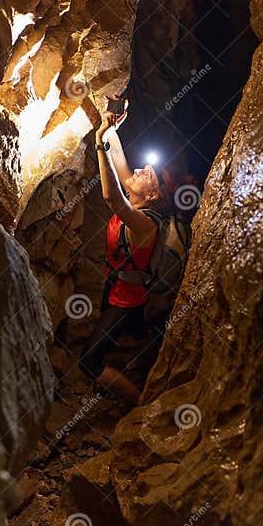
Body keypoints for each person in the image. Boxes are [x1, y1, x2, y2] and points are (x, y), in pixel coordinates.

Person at [78, 101, 172, 404]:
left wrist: (97, 144)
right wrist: (110, 130)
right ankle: (143, 363)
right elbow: (117, 157)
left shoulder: (144, 224)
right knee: (139, 343)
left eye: (149, 174)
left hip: (127, 304)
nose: (142, 169)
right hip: (121, 292)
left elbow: (110, 196)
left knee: (88, 363)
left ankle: (139, 407)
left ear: (153, 194)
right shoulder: (139, 202)